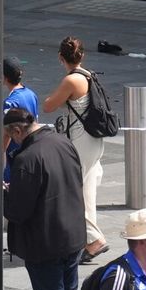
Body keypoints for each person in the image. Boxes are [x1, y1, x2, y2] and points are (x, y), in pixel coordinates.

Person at [4, 102, 87, 290]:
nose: (11, 141)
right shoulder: (62, 143)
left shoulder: (28, 158)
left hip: (45, 242)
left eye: (10, 135)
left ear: (17, 130)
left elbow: (18, 211)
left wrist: (6, 195)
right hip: (72, 236)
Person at [39, 37, 109, 262]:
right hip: (94, 139)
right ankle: (89, 241)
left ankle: (95, 239)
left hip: (81, 140)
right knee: (87, 189)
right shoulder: (88, 74)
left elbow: (49, 105)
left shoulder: (71, 80)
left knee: (73, 190)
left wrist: (49, 97)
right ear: (82, 56)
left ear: (61, 58)